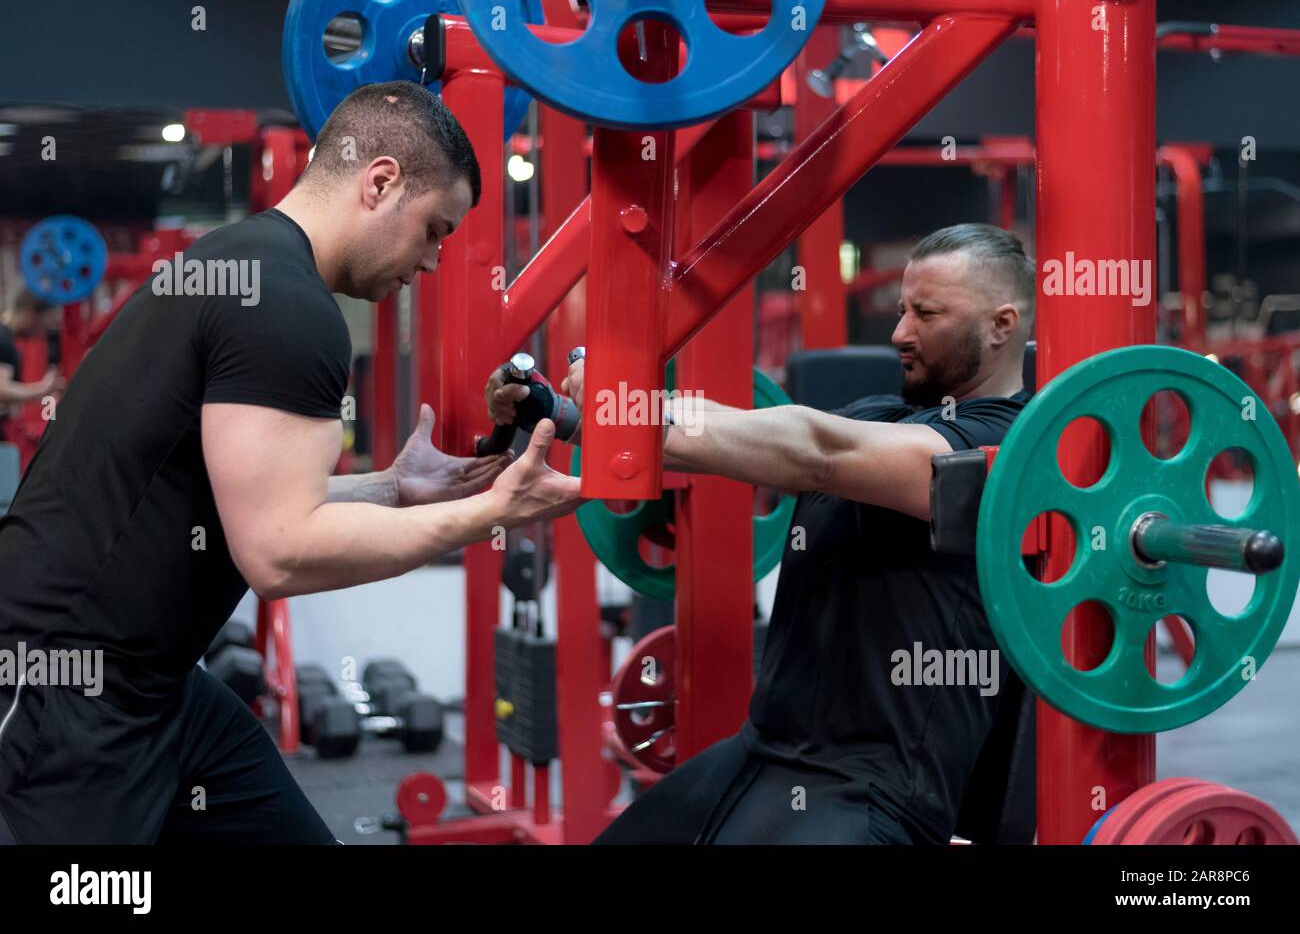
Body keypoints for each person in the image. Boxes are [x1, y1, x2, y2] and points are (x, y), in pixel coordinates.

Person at [0, 80, 582, 845]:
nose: (434, 260)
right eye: (434, 229)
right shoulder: (291, 308)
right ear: (380, 182)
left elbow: (225, 484)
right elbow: (278, 552)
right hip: (66, 689)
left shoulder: (242, 262)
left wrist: (395, 488)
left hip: (157, 685)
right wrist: (493, 511)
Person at [491, 223, 1034, 844]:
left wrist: (635, 411)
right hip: (763, 752)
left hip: (872, 790)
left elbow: (816, 451)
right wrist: (569, 415)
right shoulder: (881, 416)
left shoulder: (1007, 454)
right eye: (903, 308)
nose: (899, 333)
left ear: (1001, 325)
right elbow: (737, 430)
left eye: (927, 314)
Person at [0, 291, 65, 441]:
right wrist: (43, 388)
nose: (43, 333)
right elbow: (2, 390)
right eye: (43, 324)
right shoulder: (3, 340)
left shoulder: (7, 339)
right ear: (30, 313)